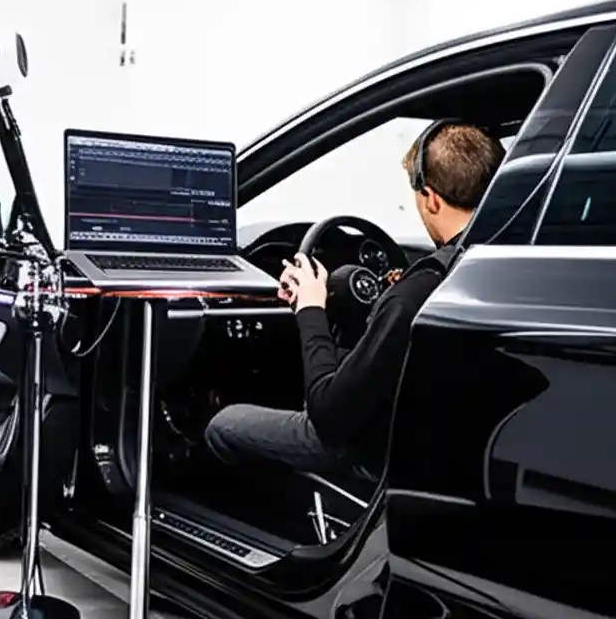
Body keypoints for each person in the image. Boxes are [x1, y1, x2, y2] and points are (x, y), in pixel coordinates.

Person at [203, 123, 506, 476]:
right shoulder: (496, 259)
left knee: (223, 425)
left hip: (374, 448)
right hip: (455, 440)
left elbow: (330, 418)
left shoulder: (417, 294)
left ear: (432, 199)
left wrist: (310, 307)